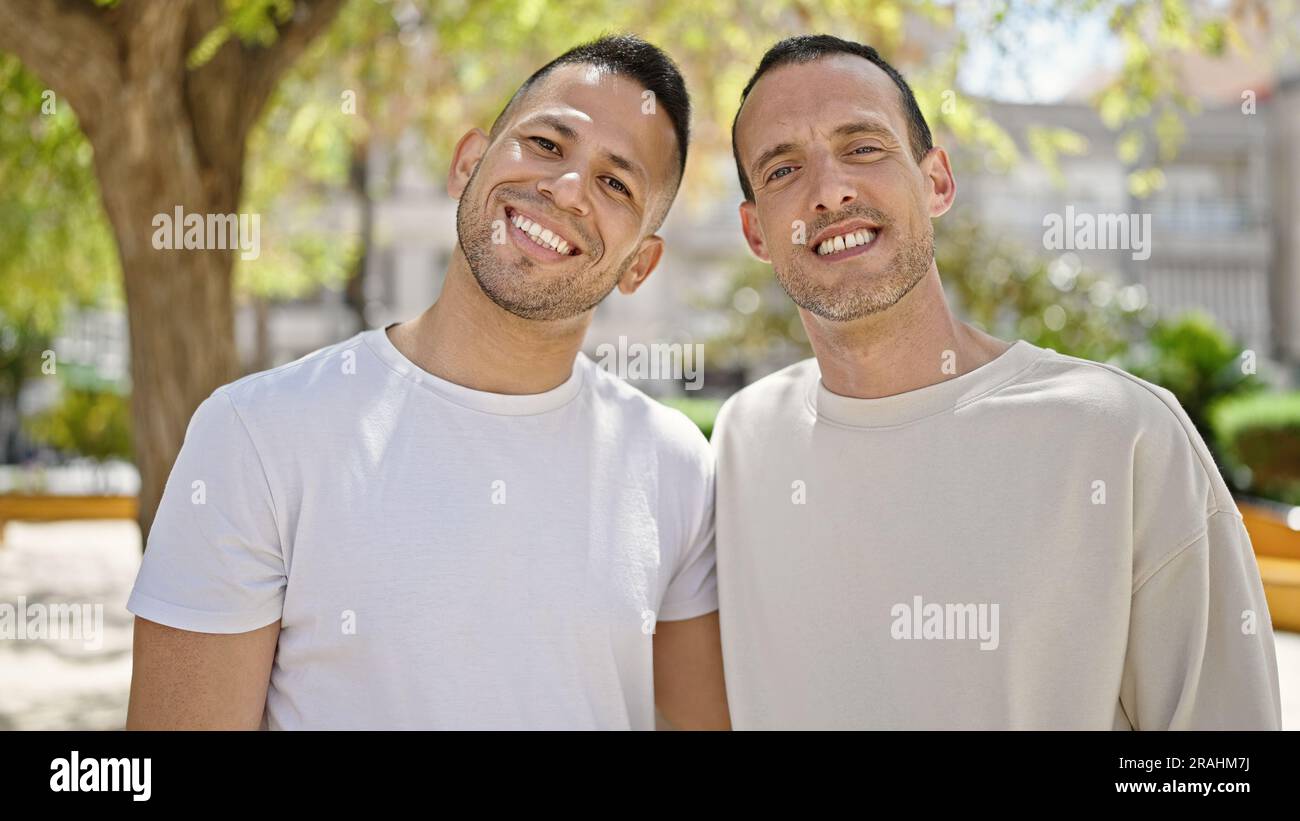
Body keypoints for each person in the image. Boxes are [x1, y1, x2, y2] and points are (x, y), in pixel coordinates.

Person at [126, 34, 729, 731]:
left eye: (616, 183)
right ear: (468, 162)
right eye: (546, 144)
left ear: (639, 265)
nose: (565, 189)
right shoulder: (256, 434)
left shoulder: (675, 464)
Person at [715, 34, 1281, 729]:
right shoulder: (742, 442)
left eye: (863, 147)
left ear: (938, 182)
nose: (830, 188)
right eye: (782, 170)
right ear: (755, 232)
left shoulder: (1120, 434)